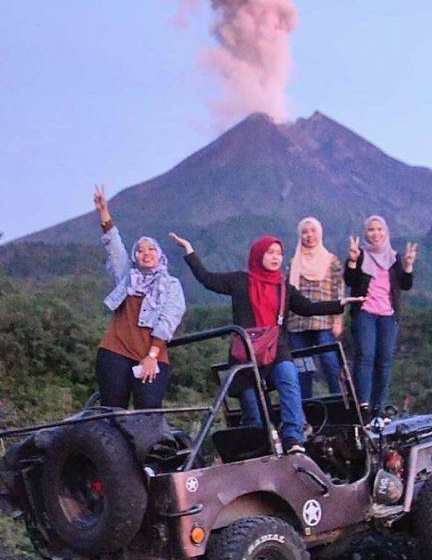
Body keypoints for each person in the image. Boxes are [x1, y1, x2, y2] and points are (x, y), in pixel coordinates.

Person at [172, 232, 364, 454]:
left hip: (276, 348)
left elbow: (308, 307)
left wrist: (340, 303)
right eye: (270, 252)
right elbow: (207, 279)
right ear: (258, 254)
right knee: (253, 412)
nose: (276, 257)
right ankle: (262, 449)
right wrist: (189, 250)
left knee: (289, 379)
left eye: (279, 253)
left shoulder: (283, 288)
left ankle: (293, 437)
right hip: (246, 351)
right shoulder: (240, 281)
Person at [93, 184, 186, 410]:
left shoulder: (171, 285)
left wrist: (152, 355)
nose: (146, 254)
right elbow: (114, 246)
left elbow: (168, 320)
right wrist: (103, 211)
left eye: (151, 249)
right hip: (116, 350)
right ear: (135, 256)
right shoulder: (127, 276)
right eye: (141, 250)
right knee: (112, 411)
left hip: (152, 355)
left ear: (160, 255)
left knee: (148, 410)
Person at [344, 215, 417, 418]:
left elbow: (405, 285)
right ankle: (363, 404)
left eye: (379, 229)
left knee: (384, 360)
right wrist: (351, 260)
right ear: (365, 233)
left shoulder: (394, 258)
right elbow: (349, 280)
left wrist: (409, 265)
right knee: (365, 356)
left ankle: (379, 405)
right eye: (371, 230)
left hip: (388, 315)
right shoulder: (360, 255)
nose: (375, 234)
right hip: (365, 312)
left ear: (386, 232)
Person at [285, 217, 346, 399]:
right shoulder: (293, 263)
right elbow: (287, 292)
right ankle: (306, 407)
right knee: (303, 367)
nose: (309, 235)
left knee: (329, 361)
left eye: (313, 231)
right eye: (305, 232)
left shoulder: (331, 261)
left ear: (319, 233)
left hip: (324, 321)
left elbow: (339, 291)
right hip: (297, 323)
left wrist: (338, 319)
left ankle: (339, 401)